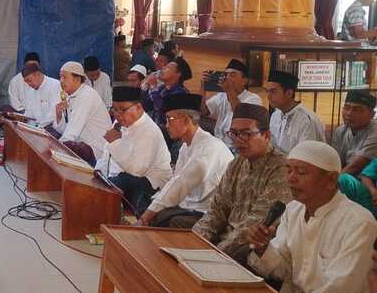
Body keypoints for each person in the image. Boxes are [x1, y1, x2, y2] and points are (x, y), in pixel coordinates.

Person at [247, 140, 377, 293]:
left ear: (331, 179)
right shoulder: (293, 210)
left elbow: (340, 288)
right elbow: (283, 270)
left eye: (301, 172)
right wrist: (262, 248)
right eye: (288, 170)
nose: (291, 178)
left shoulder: (359, 223)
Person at [193, 104, 292, 265]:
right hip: (224, 242)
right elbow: (216, 211)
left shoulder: (282, 168)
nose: (238, 140)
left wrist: (216, 253)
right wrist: (194, 241)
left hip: (252, 249)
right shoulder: (236, 164)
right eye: (234, 133)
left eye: (246, 134)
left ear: (266, 135)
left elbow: (256, 226)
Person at [138, 94, 233, 228]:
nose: (166, 125)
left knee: (168, 220)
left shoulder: (208, 148)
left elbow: (181, 184)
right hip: (189, 205)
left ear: (186, 120)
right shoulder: (186, 146)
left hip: (208, 211)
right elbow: (175, 180)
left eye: (169, 119)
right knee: (147, 203)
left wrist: (145, 218)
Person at [96, 86, 171, 217]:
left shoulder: (149, 131)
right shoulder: (120, 122)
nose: (117, 114)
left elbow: (137, 170)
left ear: (139, 107)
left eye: (122, 109)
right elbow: (108, 156)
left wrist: (115, 143)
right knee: (98, 184)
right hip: (124, 177)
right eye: (114, 109)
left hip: (150, 183)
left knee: (112, 188)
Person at [52, 61, 112, 166]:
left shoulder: (86, 96)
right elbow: (66, 130)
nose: (61, 81)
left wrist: (56, 150)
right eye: (60, 77)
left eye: (64, 77)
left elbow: (71, 132)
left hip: (96, 151)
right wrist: (58, 114)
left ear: (77, 79)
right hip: (82, 145)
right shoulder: (73, 96)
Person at [202, 59, 263, 151]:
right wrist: (203, 87)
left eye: (232, 75)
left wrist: (229, 90)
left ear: (245, 81)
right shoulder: (221, 96)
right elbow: (202, 111)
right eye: (226, 75)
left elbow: (241, 116)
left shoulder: (254, 99)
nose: (227, 78)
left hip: (238, 148)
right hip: (219, 145)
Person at [265, 70, 324, 154]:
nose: (268, 96)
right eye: (267, 91)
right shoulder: (275, 115)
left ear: (289, 93)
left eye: (273, 91)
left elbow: (305, 156)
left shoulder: (306, 120)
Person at [330, 90, 377, 176]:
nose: (349, 113)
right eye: (346, 108)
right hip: (348, 177)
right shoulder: (340, 131)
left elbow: (356, 166)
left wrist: (330, 181)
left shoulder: (374, 130)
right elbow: (335, 162)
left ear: (372, 114)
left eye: (357, 110)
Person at [143, 57, 192, 126]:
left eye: (168, 67)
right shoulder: (162, 88)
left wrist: (153, 87)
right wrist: (146, 86)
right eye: (165, 66)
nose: (163, 68)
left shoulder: (181, 93)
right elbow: (146, 105)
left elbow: (163, 107)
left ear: (178, 74)